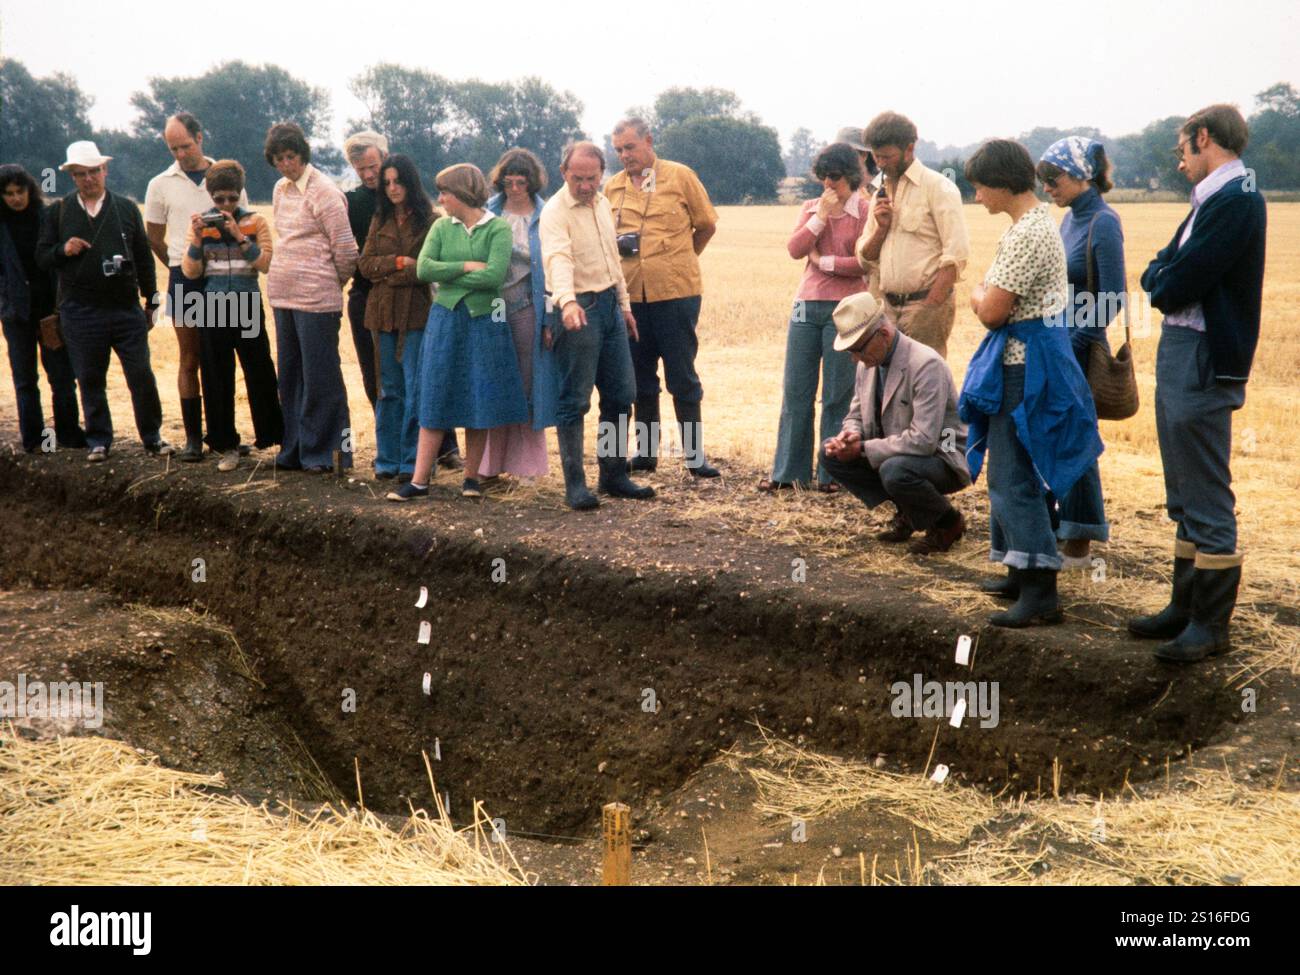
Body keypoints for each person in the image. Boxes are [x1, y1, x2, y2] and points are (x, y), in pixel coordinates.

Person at [1127, 105, 1266, 663]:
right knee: (1183, 488)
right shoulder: (1212, 201)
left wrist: (1163, 279)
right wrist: (1163, 276)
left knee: (1205, 490)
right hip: (1184, 349)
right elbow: (1158, 269)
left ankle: (1210, 627)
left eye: (1183, 149)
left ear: (1203, 138)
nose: (1180, 160)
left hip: (1204, 353)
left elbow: (1172, 282)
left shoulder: (1235, 199)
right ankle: (1184, 608)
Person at [958, 139, 1102, 628]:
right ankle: (1020, 569)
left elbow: (993, 311)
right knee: (1015, 472)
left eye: (978, 187)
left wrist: (977, 293)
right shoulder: (1039, 223)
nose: (976, 196)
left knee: (1012, 478)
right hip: (1030, 361)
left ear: (1000, 183)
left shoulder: (1025, 234)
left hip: (1023, 368)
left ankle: (1040, 591)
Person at [385, 163, 529, 501]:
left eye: (445, 192)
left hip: (487, 319)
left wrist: (447, 275)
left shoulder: (497, 229)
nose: (440, 199)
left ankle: (471, 478)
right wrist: (464, 266)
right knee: (436, 392)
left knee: (479, 393)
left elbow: (493, 277)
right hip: (445, 317)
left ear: (461, 193)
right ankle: (419, 480)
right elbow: (423, 268)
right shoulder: (440, 227)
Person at [35, 141, 172, 461]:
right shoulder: (59, 212)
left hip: (125, 309)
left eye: (94, 171)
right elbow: (41, 257)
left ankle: (152, 437)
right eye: (81, 173)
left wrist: (151, 302)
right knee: (89, 377)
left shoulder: (125, 208)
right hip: (80, 311)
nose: (89, 179)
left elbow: (143, 257)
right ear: (71, 176)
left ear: (104, 170)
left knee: (141, 376)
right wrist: (62, 250)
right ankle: (98, 440)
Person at [539, 141, 654, 510]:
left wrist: (624, 306)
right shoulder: (556, 212)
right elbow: (558, 258)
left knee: (622, 395)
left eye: (592, 178)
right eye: (578, 178)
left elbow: (612, 260)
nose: (586, 186)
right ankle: (575, 485)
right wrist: (567, 301)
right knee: (575, 400)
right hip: (578, 309)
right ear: (563, 173)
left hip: (608, 307)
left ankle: (613, 474)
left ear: (601, 175)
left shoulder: (603, 203)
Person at [606, 117, 720, 477]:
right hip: (630, 299)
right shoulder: (611, 188)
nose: (625, 155)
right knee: (639, 379)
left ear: (649, 141)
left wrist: (678, 261)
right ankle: (646, 453)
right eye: (619, 150)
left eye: (630, 147)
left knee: (682, 377)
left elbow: (706, 225)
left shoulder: (680, 176)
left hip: (675, 295)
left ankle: (693, 455)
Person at [821, 292, 969, 554]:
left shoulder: (926, 364)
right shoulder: (868, 362)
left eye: (857, 349)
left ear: (884, 335)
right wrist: (849, 437)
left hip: (941, 456)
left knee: (894, 471)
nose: (854, 358)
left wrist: (864, 449)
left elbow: (924, 441)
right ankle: (909, 511)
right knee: (830, 455)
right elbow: (855, 414)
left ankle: (948, 521)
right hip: (896, 454)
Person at [761, 142, 870, 493]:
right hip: (805, 307)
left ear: (851, 177)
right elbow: (794, 250)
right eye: (822, 177)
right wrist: (820, 218)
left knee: (839, 395)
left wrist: (823, 261)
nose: (828, 184)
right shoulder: (811, 208)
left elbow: (864, 263)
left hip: (847, 309)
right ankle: (788, 473)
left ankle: (833, 473)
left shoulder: (865, 211)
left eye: (835, 177)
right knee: (796, 391)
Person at [1038, 136, 1126, 569]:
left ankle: (1080, 543)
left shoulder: (1102, 223)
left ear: (1080, 175)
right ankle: (1061, 527)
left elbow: (1113, 299)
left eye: (1052, 178)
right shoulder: (1070, 219)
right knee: (1054, 439)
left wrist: (1074, 344)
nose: (1047, 187)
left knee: (1077, 444)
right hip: (1057, 345)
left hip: (1080, 350)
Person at [144, 112, 247, 462]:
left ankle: (224, 436)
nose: (180, 154)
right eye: (173, 148)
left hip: (222, 276)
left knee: (221, 359)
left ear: (200, 138)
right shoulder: (159, 184)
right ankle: (191, 438)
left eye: (186, 146)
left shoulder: (226, 174)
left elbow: (242, 223)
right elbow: (154, 237)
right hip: (184, 276)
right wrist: (181, 266)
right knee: (190, 357)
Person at [264, 121, 359, 472]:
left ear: (302, 154)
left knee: (322, 379)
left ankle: (333, 454)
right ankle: (295, 449)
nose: (286, 165)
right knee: (289, 376)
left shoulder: (325, 192)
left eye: (290, 157)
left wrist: (329, 283)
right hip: (282, 297)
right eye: (278, 159)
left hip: (317, 300)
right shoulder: (279, 190)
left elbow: (347, 250)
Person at [180, 159, 282, 472]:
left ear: (240, 194)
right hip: (212, 306)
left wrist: (239, 236)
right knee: (215, 376)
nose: (225, 205)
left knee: (260, 370)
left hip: (247, 303)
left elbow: (264, 263)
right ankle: (225, 445)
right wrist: (198, 239)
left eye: (232, 198)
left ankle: (274, 439)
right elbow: (190, 270)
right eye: (219, 198)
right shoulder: (199, 224)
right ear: (211, 195)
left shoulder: (256, 222)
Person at [855, 112, 969, 360]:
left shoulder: (939, 188)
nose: (881, 164)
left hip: (925, 307)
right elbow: (865, 259)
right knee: (889, 388)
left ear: (909, 149)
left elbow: (956, 256)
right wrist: (881, 229)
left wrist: (930, 307)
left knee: (923, 385)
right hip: (886, 308)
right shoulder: (878, 194)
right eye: (876, 157)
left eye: (887, 156)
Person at [357, 153, 440, 482]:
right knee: (387, 389)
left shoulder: (430, 221)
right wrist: (399, 262)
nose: (392, 188)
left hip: (416, 315)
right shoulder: (380, 219)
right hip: (381, 314)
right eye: (386, 182)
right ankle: (386, 458)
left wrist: (393, 268)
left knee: (413, 388)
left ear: (410, 182)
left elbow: (425, 269)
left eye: (397, 181)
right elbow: (365, 266)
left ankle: (413, 460)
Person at [482, 148, 560, 481]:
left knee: (528, 385)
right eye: (509, 182)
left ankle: (528, 466)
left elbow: (554, 267)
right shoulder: (488, 213)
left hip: (529, 305)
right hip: (493, 306)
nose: (515, 189)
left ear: (532, 182)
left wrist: (549, 319)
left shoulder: (546, 214)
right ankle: (488, 464)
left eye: (521, 182)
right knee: (496, 381)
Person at [1, 163, 86, 453]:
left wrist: (61, 304)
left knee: (62, 376)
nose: (15, 198)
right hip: (16, 314)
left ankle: (69, 434)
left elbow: (60, 258)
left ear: (30, 190)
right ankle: (34, 440)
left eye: (20, 191)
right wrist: (6, 302)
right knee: (25, 379)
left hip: (50, 310)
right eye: (8, 193)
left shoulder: (46, 216)